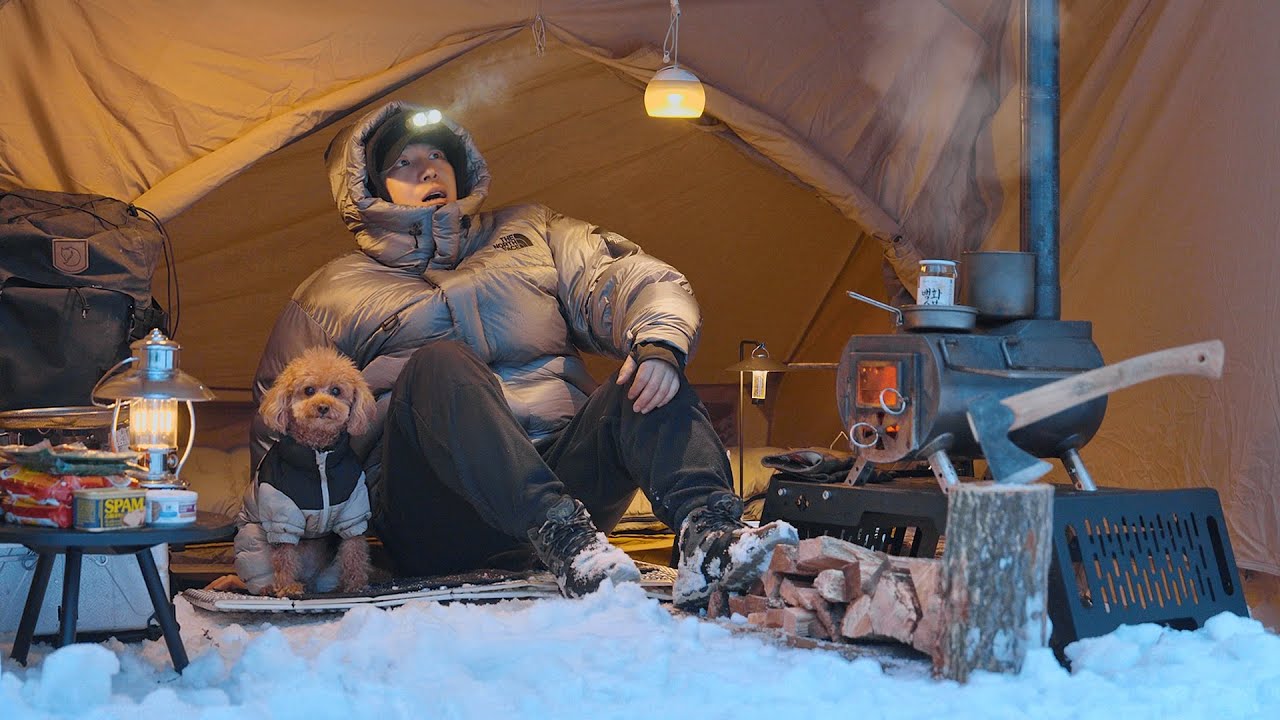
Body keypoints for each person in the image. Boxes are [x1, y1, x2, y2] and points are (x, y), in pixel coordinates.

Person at [250, 100, 797, 609]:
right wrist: (278, 546)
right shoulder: (330, 294)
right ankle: (562, 536)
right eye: (404, 162)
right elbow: (278, 431)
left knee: (648, 372)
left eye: (438, 156)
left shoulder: (531, 231)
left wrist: (659, 342)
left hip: (565, 484)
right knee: (440, 363)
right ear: (371, 186)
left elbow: (624, 277)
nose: (428, 170)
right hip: (434, 510)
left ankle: (710, 534)